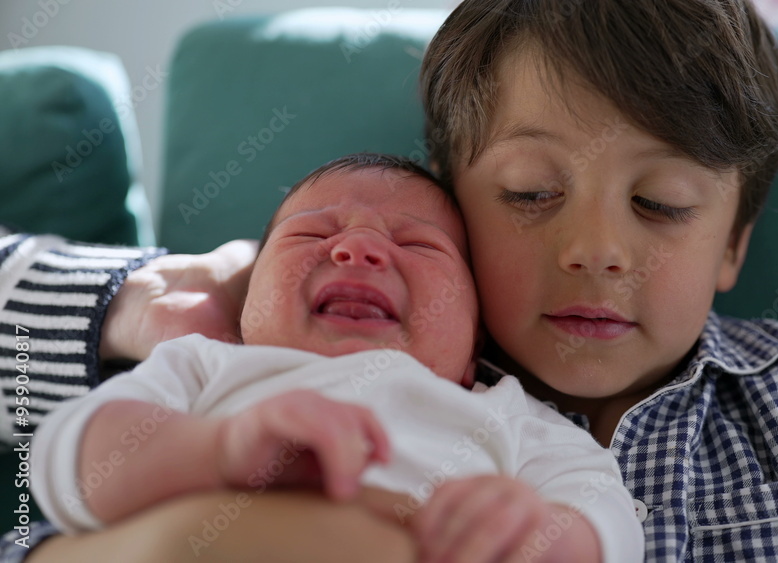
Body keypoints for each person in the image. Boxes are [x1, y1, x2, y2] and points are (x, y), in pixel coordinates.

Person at [3, 0, 778, 561]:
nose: (596, 249)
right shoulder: (324, 358)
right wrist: (161, 310)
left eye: (659, 204)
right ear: (460, 203)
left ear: (734, 244)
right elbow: (84, 484)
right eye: (529, 192)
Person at [28, 153, 644, 563]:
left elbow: (605, 513)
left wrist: (536, 533)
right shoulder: (204, 366)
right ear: (246, 306)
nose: (357, 250)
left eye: (416, 244)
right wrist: (217, 452)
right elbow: (66, 459)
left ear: (475, 341)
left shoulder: (508, 413)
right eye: (312, 235)